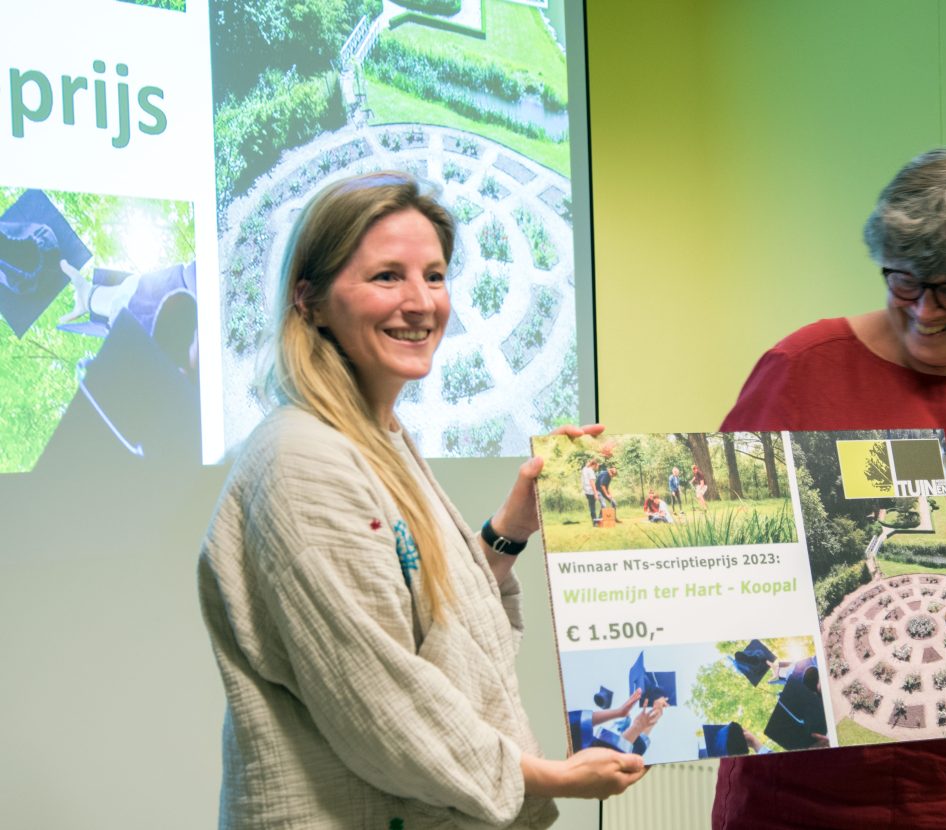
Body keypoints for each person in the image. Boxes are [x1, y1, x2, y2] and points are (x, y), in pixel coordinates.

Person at [197, 172, 645, 829]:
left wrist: (510, 528)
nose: (421, 302)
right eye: (386, 277)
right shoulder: (304, 461)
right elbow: (377, 697)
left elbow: (423, 614)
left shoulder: (373, 436)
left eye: (434, 276)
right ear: (309, 301)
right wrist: (553, 779)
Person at [713, 149, 946, 829]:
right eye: (904, 281)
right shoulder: (801, 369)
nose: (923, 310)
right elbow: (722, 549)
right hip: (807, 792)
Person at [581, 458, 600, 526]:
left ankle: (595, 521)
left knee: (592, 507)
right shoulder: (591, 471)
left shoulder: (585, 469)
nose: (598, 467)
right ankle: (596, 522)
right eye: (598, 465)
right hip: (591, 491)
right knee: (594, 507)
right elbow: (592, 482)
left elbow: (585, 467)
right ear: (594, 465)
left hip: (586, 491)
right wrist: (595, 493)